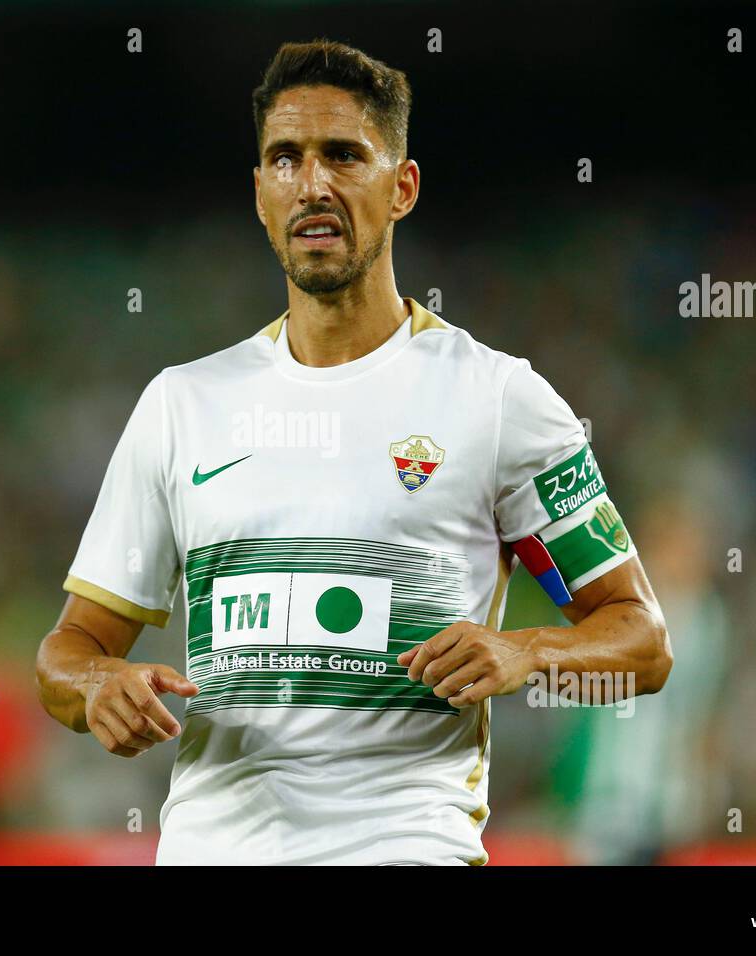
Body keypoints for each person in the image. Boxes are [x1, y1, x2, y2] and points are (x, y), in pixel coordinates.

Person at [36, 38, 672, 865]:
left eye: (343, 155)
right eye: (285, 159)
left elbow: (642, 644)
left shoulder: (498, 399)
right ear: (260, 193)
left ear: (402, 186)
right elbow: (68, 652)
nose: (314, 185)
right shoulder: (181, 405)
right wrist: (95, 690)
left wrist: (526, 651)